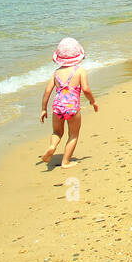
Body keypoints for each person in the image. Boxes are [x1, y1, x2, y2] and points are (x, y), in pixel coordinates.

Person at [39, 37, 98, 169]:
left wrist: (44, 109)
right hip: (73, 108)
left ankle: (52, 146)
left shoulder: (56, 73)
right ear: (79, 56)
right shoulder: (80, 71)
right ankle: (65, 161)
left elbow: (47, 91)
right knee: (73, 135)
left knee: (57, 132)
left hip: (57, 108)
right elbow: (86, 89)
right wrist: (93, 102)